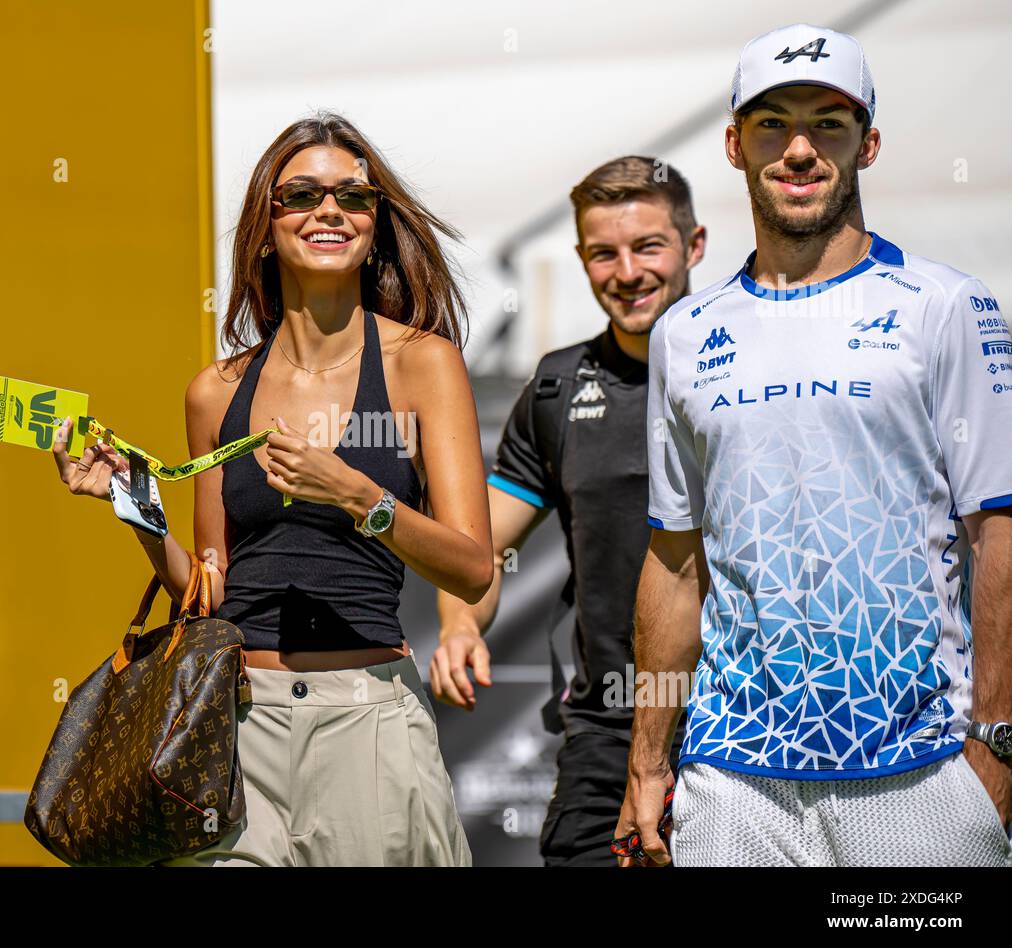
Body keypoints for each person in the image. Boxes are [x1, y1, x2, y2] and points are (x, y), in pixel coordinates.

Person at [617, 23, 1012, 866]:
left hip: (922, 774)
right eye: (772, 124)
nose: (799, 150)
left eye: (827, 124)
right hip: (732, 783)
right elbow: (675, 560)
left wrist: (998, 750)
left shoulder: (946, 306)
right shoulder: (684, 334)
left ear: (868, 143)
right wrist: (649, 761)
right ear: (733, 144)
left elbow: (1001, 536)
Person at [51, 112, 491, 866]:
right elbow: (208, 593)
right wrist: (135, 507)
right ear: (265, 225)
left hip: (370, 727)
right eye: (302, 195)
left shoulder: (425, 364)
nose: (330, 211)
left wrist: (358, 496)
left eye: (353, 197)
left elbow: (473, 566)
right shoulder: (215, 392)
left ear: (375, 225)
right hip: (236, 732)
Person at [432, 156, 706, 865]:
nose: (627, 271)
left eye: (648, 246)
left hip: (743, 731)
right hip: (607, 736)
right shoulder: (557, 388)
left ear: (694, 246)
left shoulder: (753, 373)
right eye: (603, 253)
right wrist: (461, 624)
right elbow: (477, 546)